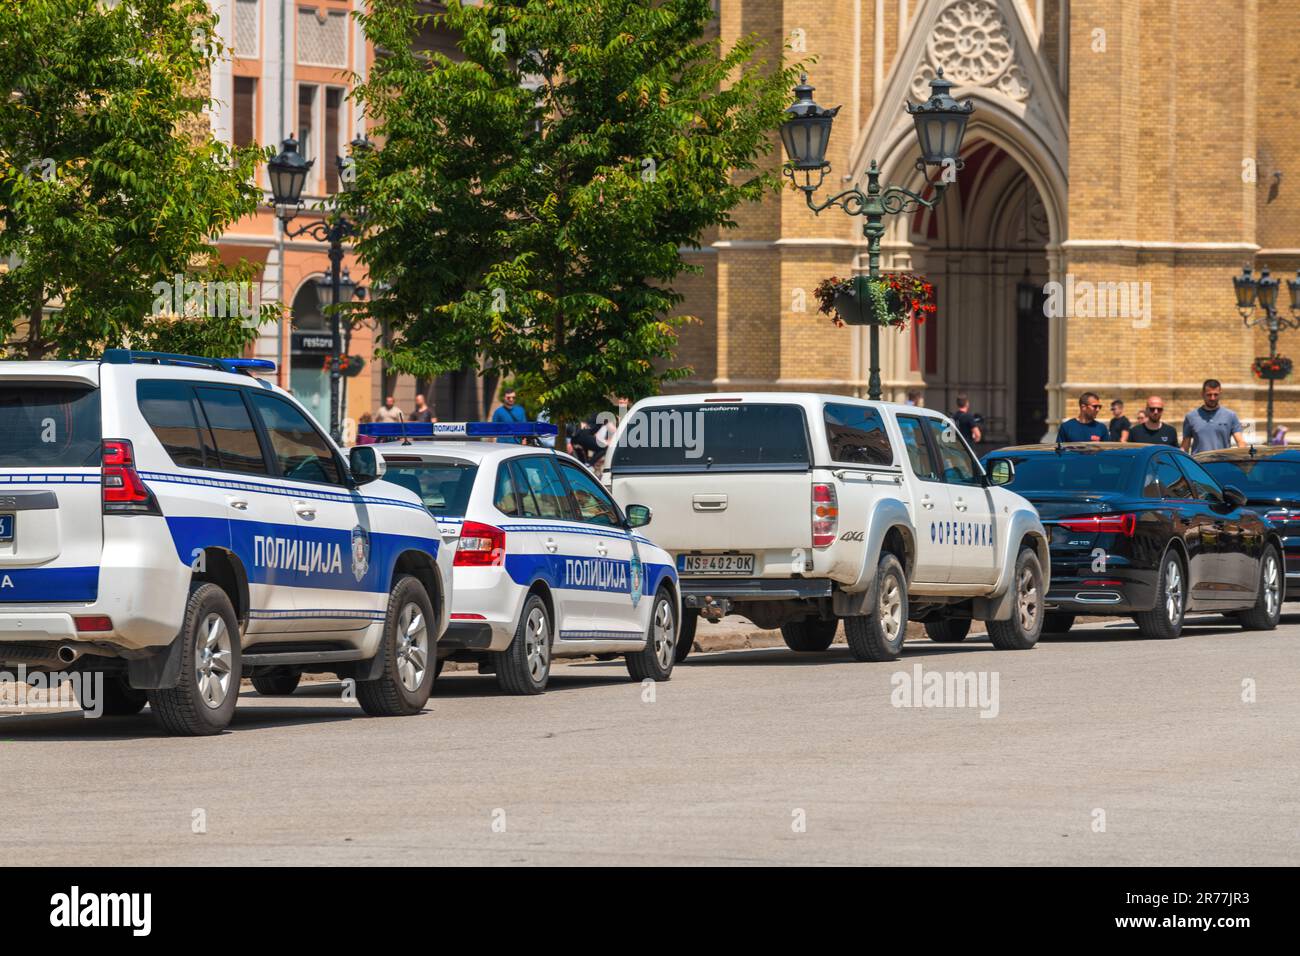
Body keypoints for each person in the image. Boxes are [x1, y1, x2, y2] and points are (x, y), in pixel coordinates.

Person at [1181, 379, 1245, 453]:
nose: (1212, 398)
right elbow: (1185, 445)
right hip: (1198, 463)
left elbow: (1240, 442)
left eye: (1216, 394)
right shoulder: (1191, 417)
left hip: (1222, 463)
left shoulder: (1230, 416)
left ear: (1220, 393)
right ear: (1202, 394)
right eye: (1209, 395)